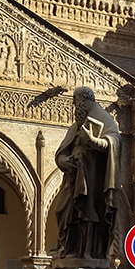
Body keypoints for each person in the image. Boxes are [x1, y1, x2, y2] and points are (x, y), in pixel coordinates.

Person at [53, 87, 121, 259]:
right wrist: (63, 160)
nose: (75, 105)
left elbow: (114, 141)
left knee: (88, 214)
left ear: (84, 99)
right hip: (73, 177)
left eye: (76, 101)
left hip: (93, 178)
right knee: (62, 209)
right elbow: (63, 150)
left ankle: (87, 252)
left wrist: (92, 141)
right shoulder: (77, 124)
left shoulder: (104, 118)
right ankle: (71, 248)